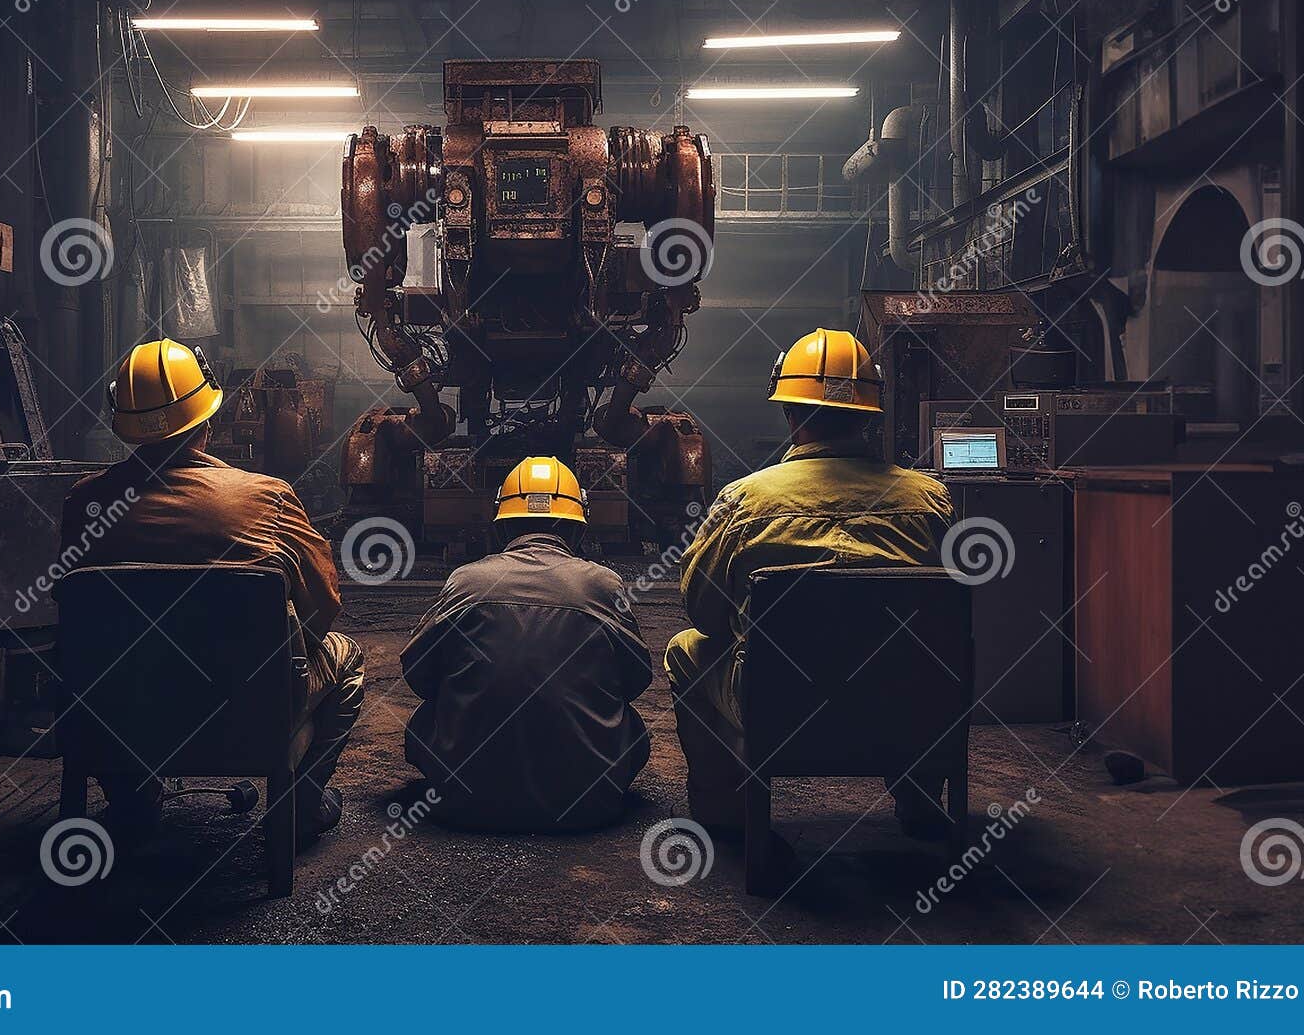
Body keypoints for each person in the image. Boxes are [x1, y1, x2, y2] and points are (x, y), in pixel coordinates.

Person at [60, 338, 363, 845]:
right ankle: (300, 806)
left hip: (119, 713)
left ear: (125, 422)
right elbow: (323, 611)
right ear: (208, 420)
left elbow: (71, 616)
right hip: (245, 711)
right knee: (347, 660)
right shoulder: (265, 498)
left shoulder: (85, 504)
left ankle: (132, 802)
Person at [664, 328, 954, 840]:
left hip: (779, 705)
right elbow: (955, 614)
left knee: (686, 650)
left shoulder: (745, 502)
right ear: (870, 414)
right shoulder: (930, 499)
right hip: (908, 703)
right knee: (917, 650)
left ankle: (724, 814)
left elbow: (703, 612)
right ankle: (919, 798)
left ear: (790, 414)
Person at [402, 457, 652, 831]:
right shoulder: (604, 585)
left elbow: (418, 676)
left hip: (464, 804)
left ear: (501, 527)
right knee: (633, 728)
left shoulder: (466, 581)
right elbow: (636, 679)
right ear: (579, 529)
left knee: (425, 718)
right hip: (588, 805)